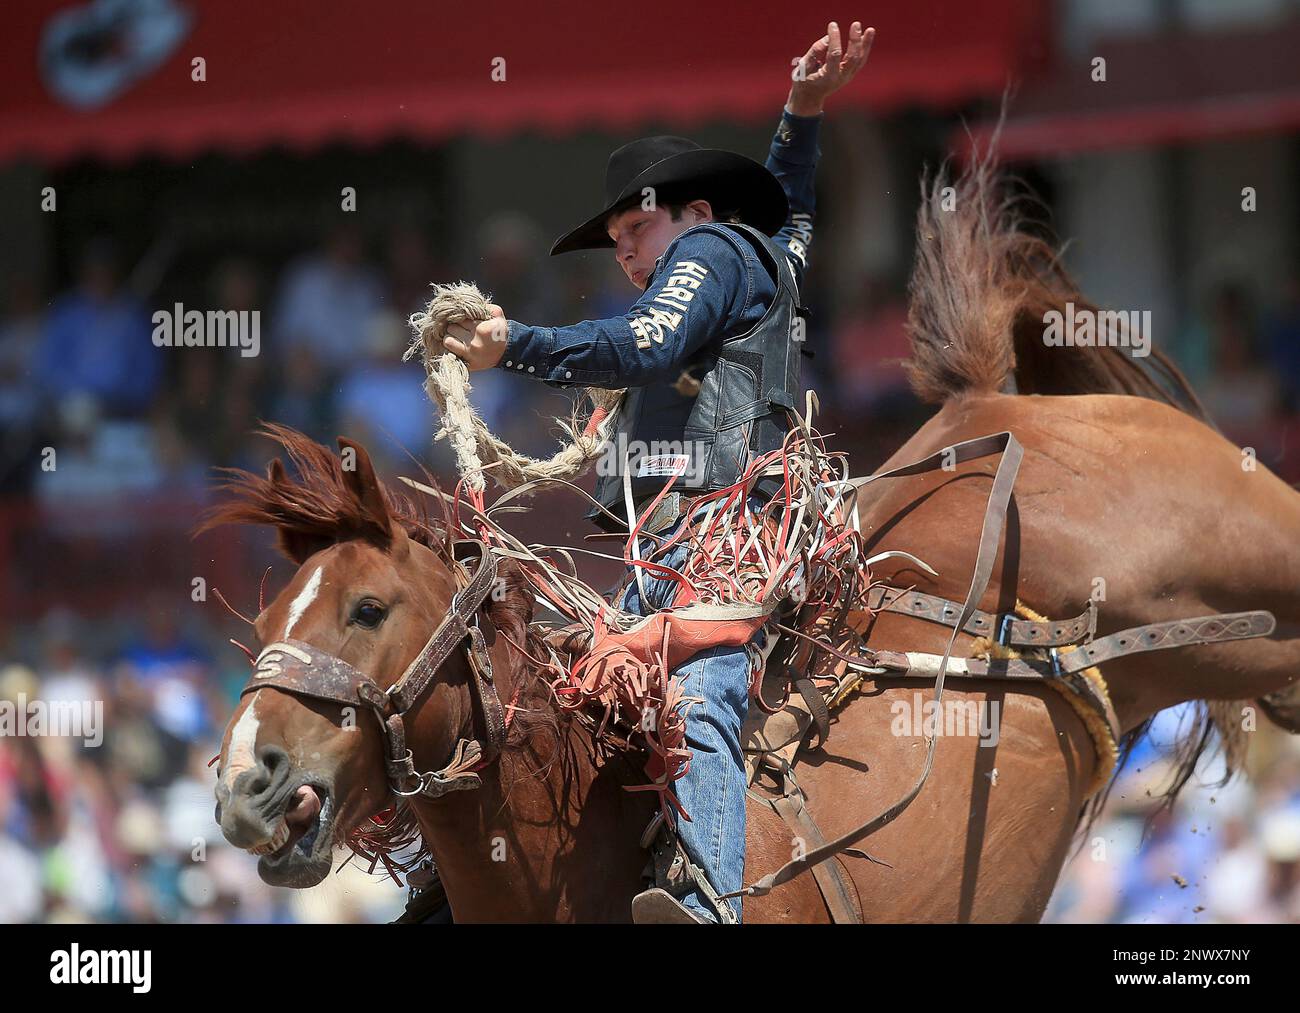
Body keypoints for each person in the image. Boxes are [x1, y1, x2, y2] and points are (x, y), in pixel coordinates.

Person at [442, 20, 874, 923]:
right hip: (675, 551)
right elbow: (786, 217)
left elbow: (649, 340)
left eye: (639, 227)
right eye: (619, 239)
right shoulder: (755, 262)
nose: (630, 254)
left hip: (730, 537)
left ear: (697, 218)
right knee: (565, 704)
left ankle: (715, 911)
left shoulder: (710, 256)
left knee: (698, 698)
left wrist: (510, 342)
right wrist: (801, 114)